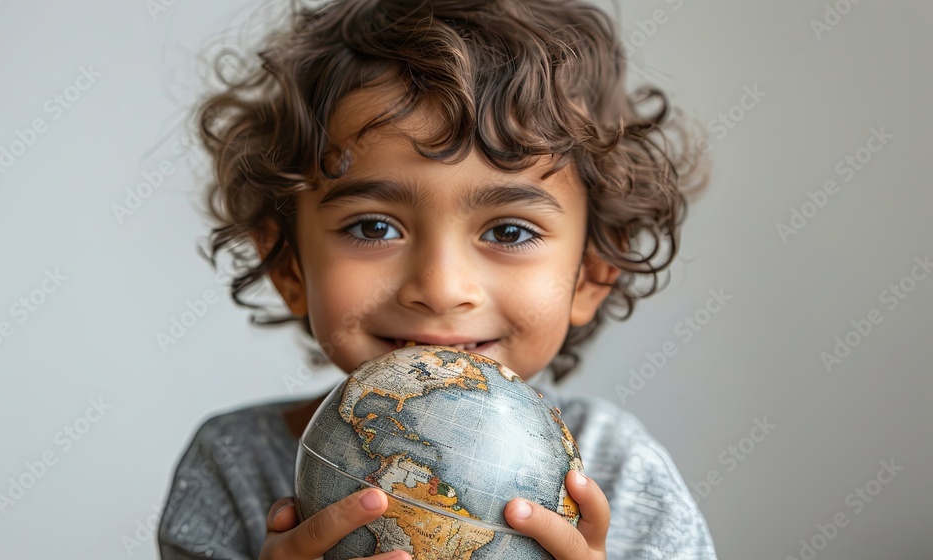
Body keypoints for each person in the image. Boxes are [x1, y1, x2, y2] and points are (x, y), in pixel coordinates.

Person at [158, 0, 716, 558]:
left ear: (591, 275)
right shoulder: (231, 464)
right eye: (373, 227)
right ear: (289, 266)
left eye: (509, 233)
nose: (441, 287)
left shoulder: (621, 468)